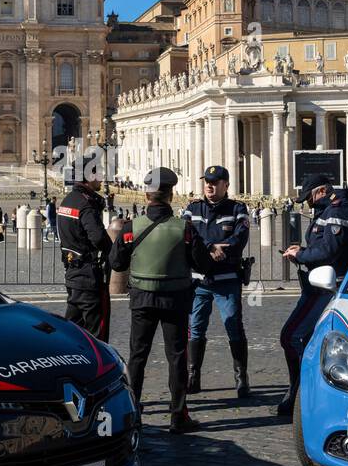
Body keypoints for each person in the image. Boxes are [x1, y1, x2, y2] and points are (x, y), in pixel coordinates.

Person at [108, 167, 216, 434]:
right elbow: (202, 262)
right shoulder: (185, 228)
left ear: (146, 196)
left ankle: (133, 411)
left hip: (142, 299)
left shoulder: (132, 227)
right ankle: (178, 415)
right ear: (170, 195)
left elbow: (116, 262)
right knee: (177, 356)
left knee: (138, 356)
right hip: (175, 299)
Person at [278, 175, 348, 416]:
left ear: (321, 191)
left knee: (292, 336)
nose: (308, 205)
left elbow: (328, 251)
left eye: (309, 199)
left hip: (327, 288)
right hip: (321, 284)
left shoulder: (338, 212)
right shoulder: (331, 210)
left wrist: (300, 255)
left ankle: (300, 393)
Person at [181, 165, 251, 397]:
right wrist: (210, 247)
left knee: (233, 326)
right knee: (195, 328)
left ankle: (241, 378)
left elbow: (239, 237)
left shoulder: (237, 209)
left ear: (226, 185)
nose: (209, 185)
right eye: (207, 181)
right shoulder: (193, 208)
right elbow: (186, 235)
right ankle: (193, 375)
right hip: (199, 281)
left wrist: (215, 247)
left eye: (215, 181)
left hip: (227, 279)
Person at [56, 162, 114, 341]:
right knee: (97, 333)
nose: (102, 177)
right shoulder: (86, 204)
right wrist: (110, 249)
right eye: (99, 173)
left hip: (72, 274)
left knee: (72, 331)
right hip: (89, 276)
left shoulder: (67, 201)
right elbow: (97, 237)